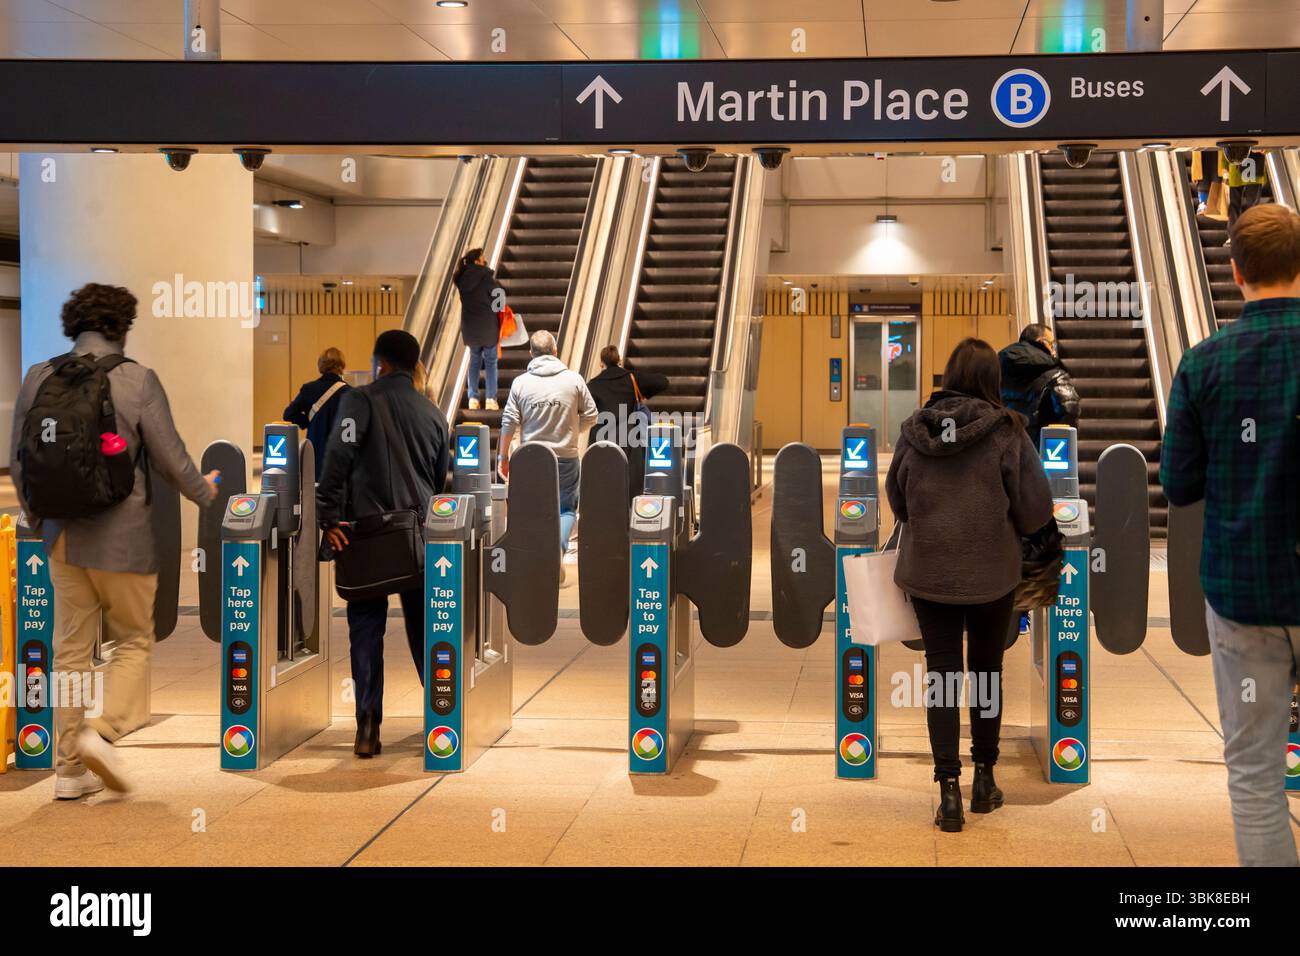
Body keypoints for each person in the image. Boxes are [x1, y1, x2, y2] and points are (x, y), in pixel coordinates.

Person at [9, 283, 219, 799]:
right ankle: (101, 734)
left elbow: (19, 459)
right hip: (124, 541)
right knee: (133, 641)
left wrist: (41, 524)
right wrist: (207, 493)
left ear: (73, 323)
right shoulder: (136, 380)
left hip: (61, 537)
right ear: (121, 327)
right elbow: (171, 459)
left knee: (71, 653)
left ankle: (68, 771)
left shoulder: (39, 376)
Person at [1160, 203, 1300, 867]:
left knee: (1255, 775)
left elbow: (1180, 485)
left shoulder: (1204, 364)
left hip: (1247, 591)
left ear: (1236, 271)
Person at [885, 338, 1054, 833]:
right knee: (985, 673)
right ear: (991, 381)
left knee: (941, 676)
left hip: (930, 573)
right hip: (991, 576)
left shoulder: (915, 429)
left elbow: (897, 497)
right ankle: (984, 779)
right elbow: (1035, 508)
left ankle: (948, 793)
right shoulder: (1008, 431)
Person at [317, 329, 450, 757]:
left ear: (380, 363)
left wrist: (327, 517)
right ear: (413, 366)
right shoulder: (433, 414)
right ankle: (442, 718)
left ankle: (367, 728)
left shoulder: (359, 400)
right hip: (417, 538)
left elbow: (337, 457)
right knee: (424, 629)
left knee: (366, 630)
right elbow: (440, 478)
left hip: (368, 536)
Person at [498, 330, 597, 556]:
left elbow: (509, 421)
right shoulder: (574, 380)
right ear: (555, 351)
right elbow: (592, 415)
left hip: (531, 459)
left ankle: (535, 558)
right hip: (566, 458)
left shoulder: (520, 383)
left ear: (531, 353)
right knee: (566, 510)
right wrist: (572, 431)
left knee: (532, 509)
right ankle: (558, 551)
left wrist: (502, 457)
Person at [585, 345, 670, 501]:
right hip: (629, 442)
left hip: (600, 442)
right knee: (630, 489)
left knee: (603, 489)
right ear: (620, 360)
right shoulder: (631, 378)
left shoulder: (592, 385)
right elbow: (663, 381)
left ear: (601, 363)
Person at [998, 323, 1080, 451]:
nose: (1053, 350)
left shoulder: (998, 369)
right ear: (1042, 342)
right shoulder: (1054, 374)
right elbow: (1069, 409)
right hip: (1038, 454)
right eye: (1052, 344)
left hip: (1004, 449)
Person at [453, 247, 504, 411]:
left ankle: (473, 399)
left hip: (470, 328)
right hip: (488, 327)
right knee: (490, 362)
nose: (485, 260)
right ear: (477, 261)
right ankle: (490, 399)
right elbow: (499, 299)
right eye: (483, 258)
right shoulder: (486, 277)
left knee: (474, 361)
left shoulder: (461, 279)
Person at [283, 346, 349, 461]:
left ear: (321, 365)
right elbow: (351, 425)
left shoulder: (309, 389)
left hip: (315, 448)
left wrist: (309, 422)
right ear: (341, 365)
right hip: (340, 453)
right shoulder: (349, 392)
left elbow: (289, 414)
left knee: (314, 477)